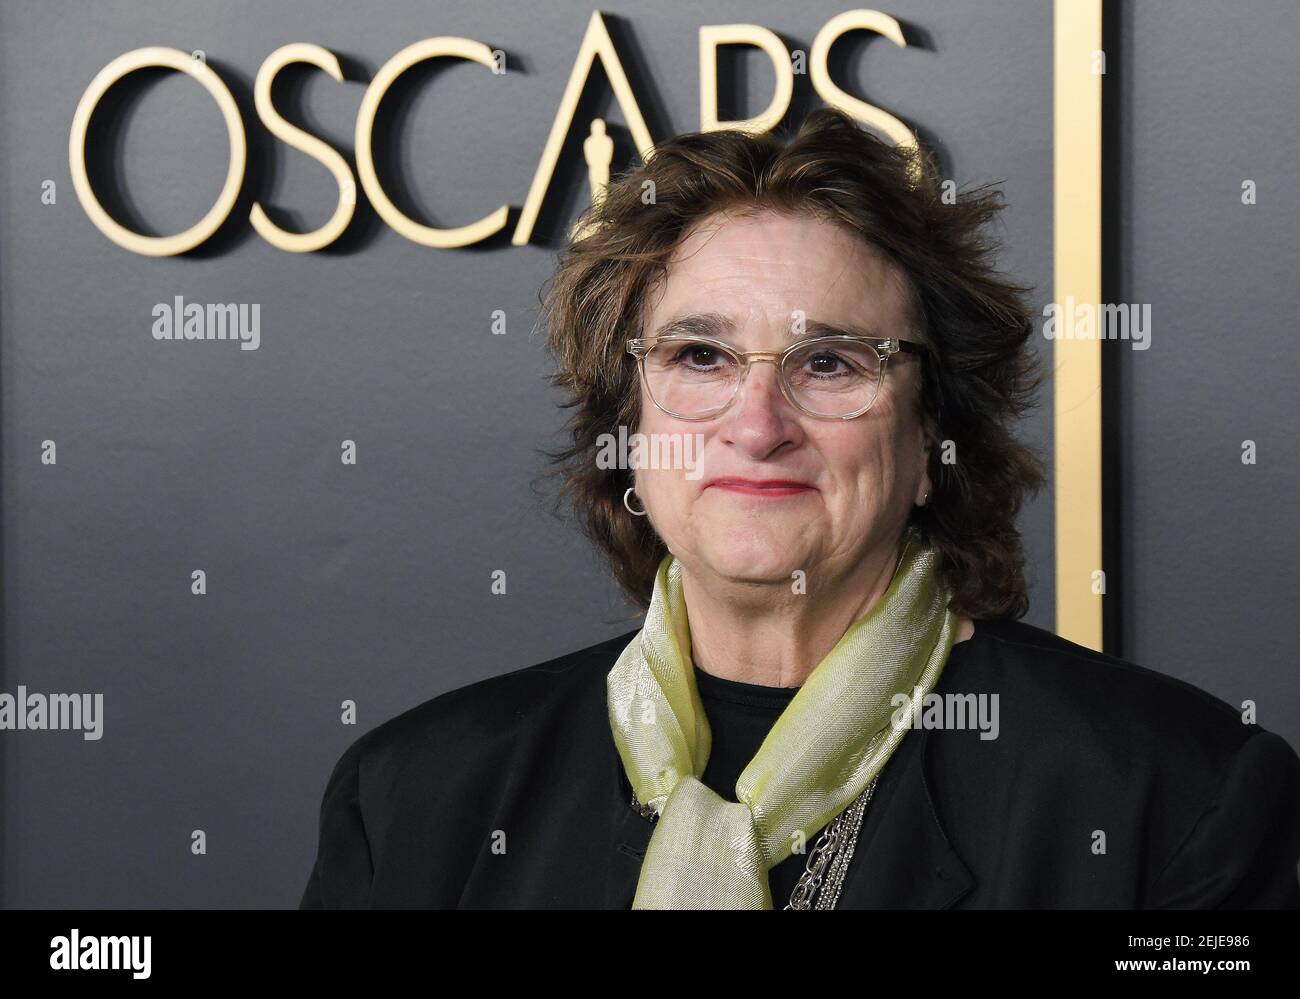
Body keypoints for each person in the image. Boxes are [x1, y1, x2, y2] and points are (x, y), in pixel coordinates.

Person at [299, 107, 1300, 909]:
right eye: (700, 357)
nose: (757, 423)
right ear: (631, 431)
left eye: (830, 363)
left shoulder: (1171, 797)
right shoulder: (417, 798)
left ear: (929, 442)